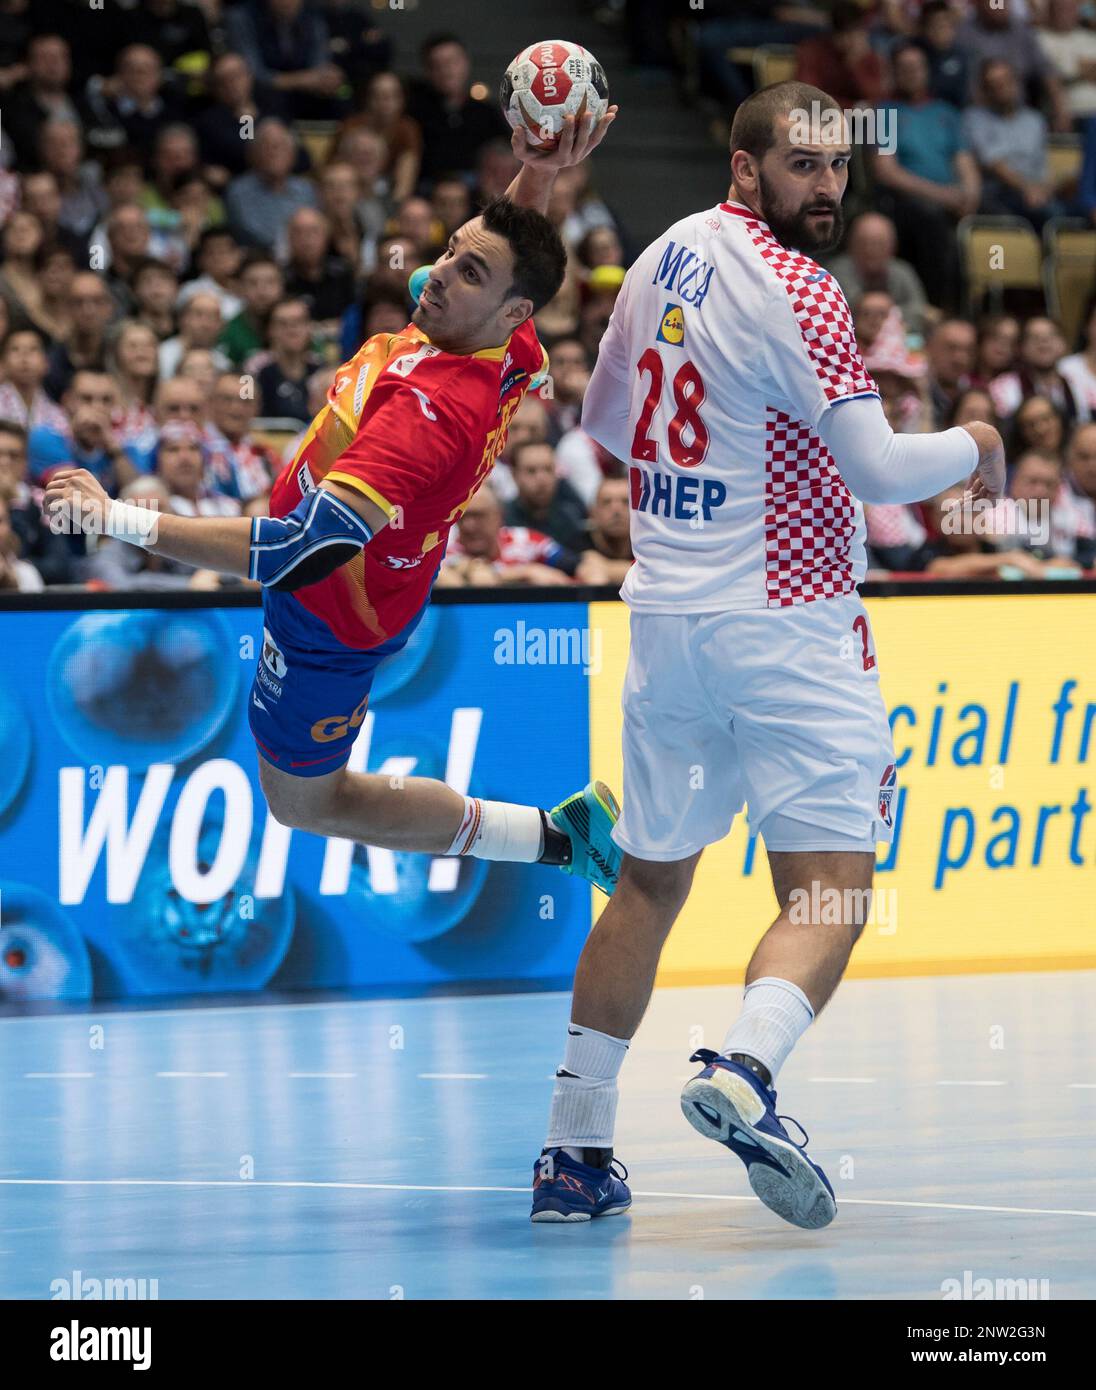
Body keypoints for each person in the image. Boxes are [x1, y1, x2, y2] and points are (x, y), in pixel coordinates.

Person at [528, 80, 1005, 1228]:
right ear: (744, 168)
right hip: (788, 624)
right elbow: (883, 472)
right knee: (831, 889)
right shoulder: (804, 288)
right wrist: (978, 442)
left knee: (649, 881)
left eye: (837, 166)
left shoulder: (656, 261)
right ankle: (740, 1071)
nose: (827, 187)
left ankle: (574, 1153)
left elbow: (602, 423)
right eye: (801, 165)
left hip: (667, 623)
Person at [45, 108, 623, 928]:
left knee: (308, 803)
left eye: (465, 275)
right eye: (450, 251)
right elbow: (509, 251)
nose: (438, 275)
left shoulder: (429, 410)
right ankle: (560, 837)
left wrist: (121, 520)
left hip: (326, 621)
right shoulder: (500, 344)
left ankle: (555, 840)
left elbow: (302, 549)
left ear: (511, 316)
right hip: (358, 586)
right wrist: (542, 165)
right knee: (303, 790)